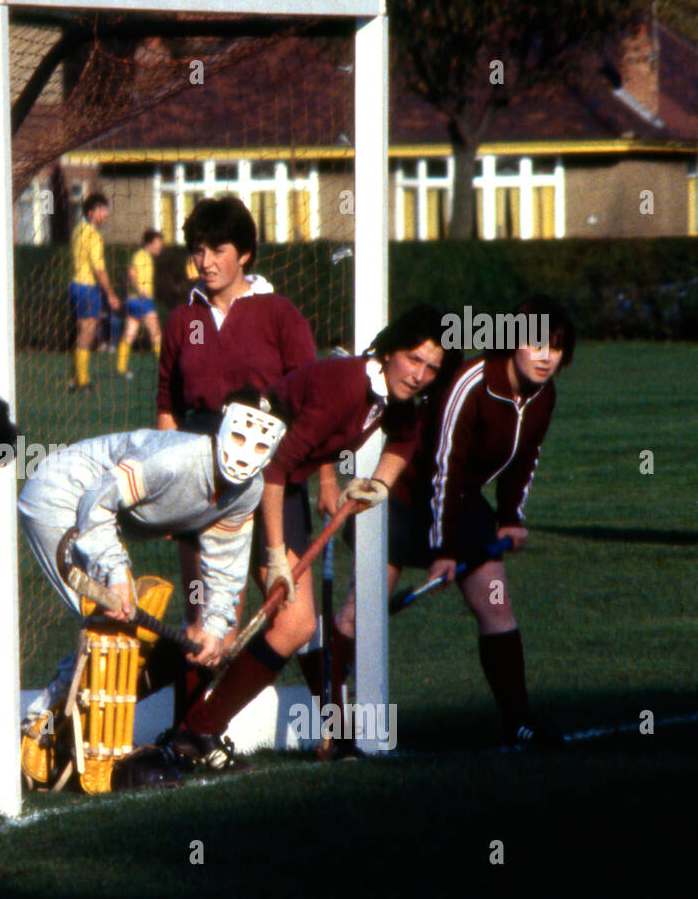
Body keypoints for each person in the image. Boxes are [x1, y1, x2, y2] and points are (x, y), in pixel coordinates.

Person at [160, 305, 452, 769]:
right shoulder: (345, 384)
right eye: (414, 359)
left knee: (296, 624)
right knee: (221, 625)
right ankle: (171, 727)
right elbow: (273, 466)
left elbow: (404, 442)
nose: (419, 375)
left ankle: (196, 731)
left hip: (280, 488)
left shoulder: (392, 401)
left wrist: (377, 485)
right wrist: (276, 554)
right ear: (391, 351)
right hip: (237, 481)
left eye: (432, 368)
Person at [329, 296, 575, 750]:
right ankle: (334, 720)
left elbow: (527, 457)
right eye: (535, 343)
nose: (545, 357)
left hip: (458, 502)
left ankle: (519, 724)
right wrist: (445, 551)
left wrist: (509, 518)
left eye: (556, 349)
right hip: (403, 497)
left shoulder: (543, 395)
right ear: (511, 343)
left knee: (496, 607)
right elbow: (445, 468)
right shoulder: (472, 384)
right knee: (359, 611)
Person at [155, 196, 326, 720]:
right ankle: (189, 736)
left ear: (245, 253)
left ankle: (333, 721)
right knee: (208, 624)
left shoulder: (279, 313)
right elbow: (167, 406)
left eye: (218, 250)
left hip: (272, 475)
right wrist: (165, 488)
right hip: (200, 477)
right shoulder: (184, 318)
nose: (206, 262)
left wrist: (327, 480)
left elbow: (312, 404)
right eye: (198, 251)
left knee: (296, 619)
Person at [18, 389, 287, 677]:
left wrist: (215, 627)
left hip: (95, 508)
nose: (245, 454)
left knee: (116, 636)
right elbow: (97, 498)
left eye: (260, 447)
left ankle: (52, 714)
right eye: (238, 437)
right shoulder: (175, 460)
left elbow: (226, 562)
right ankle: (48, 715)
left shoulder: (248, 490)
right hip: (60, 491)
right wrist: (116, 573)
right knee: (113, 630)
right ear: (223, 426)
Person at [67, 192, 121, 391]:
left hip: (74, 286)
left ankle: (73, 380)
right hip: (88, 288)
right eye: (102, 210)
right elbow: (99, 268)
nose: (106, 214)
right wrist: (111, 294)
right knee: (87, 333)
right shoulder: (94, 235)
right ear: (91, 213)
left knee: (83, 332)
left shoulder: (77, 230)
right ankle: (83, 381)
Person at [116, 228, 163, 380]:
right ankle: (166, 368)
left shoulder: (146, 256)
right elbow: (131, 272)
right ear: (149, 243)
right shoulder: (142, 256)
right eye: (157, 243)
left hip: (132, 301)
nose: (160, 246)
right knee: (156, 333)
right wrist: (141, 290)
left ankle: (121, 368)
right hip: (142, 301)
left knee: (130, 334)